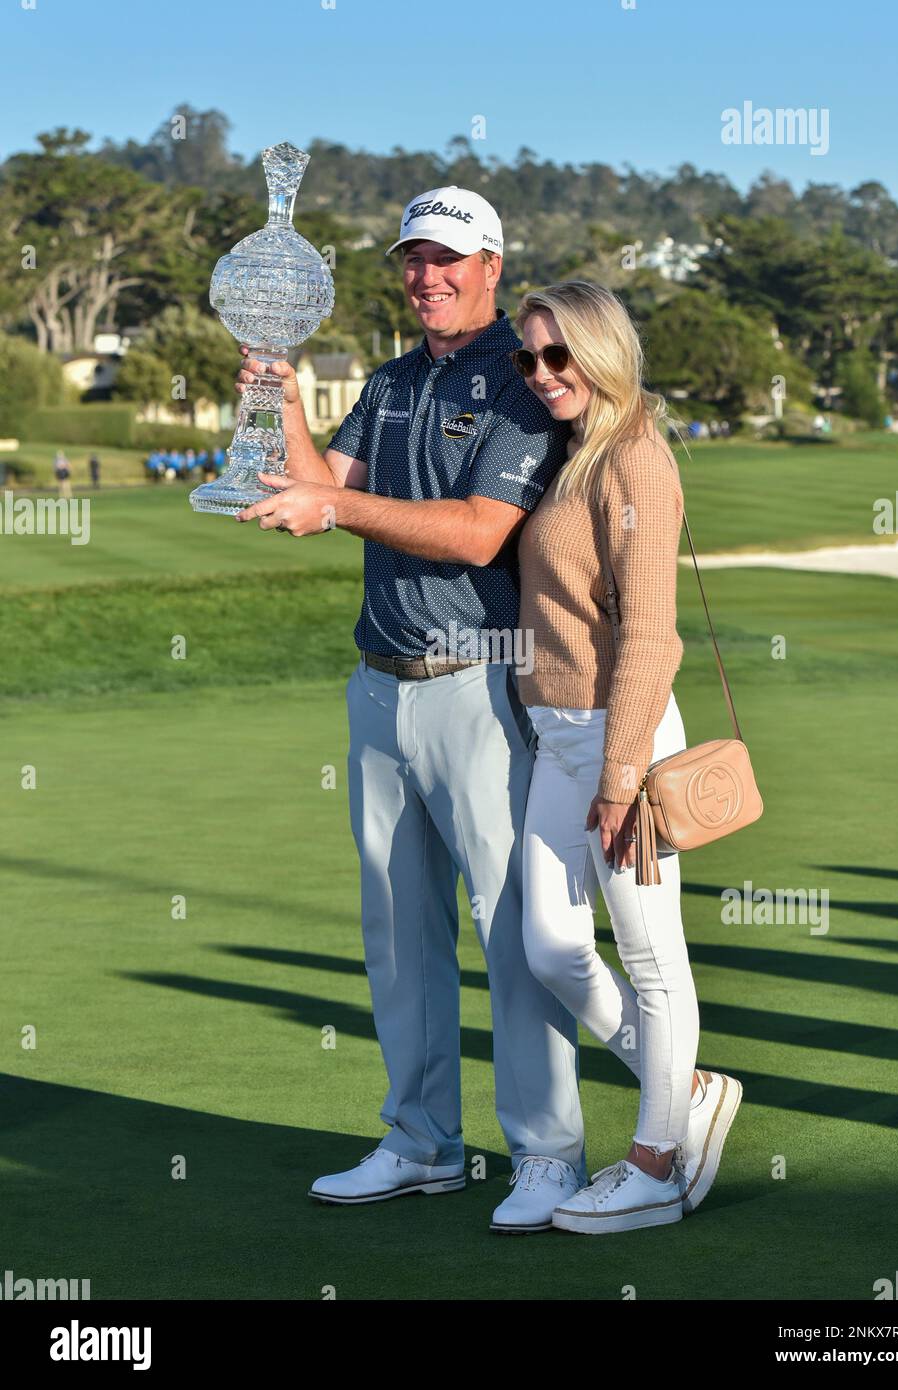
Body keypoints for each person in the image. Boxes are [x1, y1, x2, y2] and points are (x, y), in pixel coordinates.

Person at [234, 187, 590, 1232]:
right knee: (398, 930)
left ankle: (548, 1153)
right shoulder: (389, 381)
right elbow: (319, 486)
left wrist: (335, 503)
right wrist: (285, 405)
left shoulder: (521, 382)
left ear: (490, 264)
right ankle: (422, 1142)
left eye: (447, 258)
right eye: (413, 259)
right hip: (378, 685)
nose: (427, 276)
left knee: (511, 926)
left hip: (479, 682)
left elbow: (483, 532)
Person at [511, 281, 742, 1233]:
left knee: (653, 960)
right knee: (551, 948)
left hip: (622, 741)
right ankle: (682, 1085)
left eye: (559, 356)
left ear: (604, 353)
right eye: (528, 358)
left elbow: (652, 638)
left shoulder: (637, 460)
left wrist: (620, 777)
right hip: (558, 738)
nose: (541, 374)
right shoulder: (576, 452)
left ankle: (658, 1161)